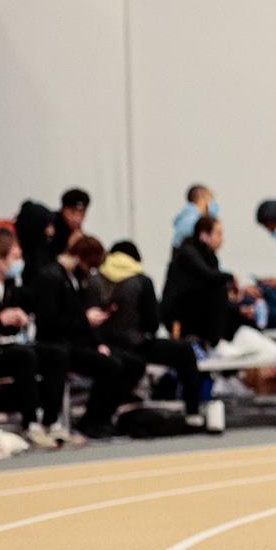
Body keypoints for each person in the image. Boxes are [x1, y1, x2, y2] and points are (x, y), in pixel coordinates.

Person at [0, 228, 70, 446]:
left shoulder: (11, 285)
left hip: (5, 344)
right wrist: (0, 319)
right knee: (24, 357)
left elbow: (10, 324)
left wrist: (18, 320)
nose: (20, 262)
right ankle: (29, 422)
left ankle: (51, 420)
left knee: (57, 354)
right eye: (15, 257)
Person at [27, 233, 139, 439]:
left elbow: (79, 318)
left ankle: (102, 415)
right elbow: (50, 322)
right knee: (111, 366)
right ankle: (92, 420)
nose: (91, 273)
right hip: (59, 343)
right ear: (79, 259)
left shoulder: (73, 279)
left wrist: (97, 341)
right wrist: (84, 320)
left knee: (133, 363)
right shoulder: (51, 278)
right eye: (89, 267)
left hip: (78, 340)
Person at [96, 240, 210, 429]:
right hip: (137, 344)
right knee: (185, 352)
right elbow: (152, 323)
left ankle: (109, 412)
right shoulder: (142, 280)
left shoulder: (96, 278)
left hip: (105, 344)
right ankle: (192, 411)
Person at [162, 215, 243, 350]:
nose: (221, 239)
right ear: (204, 235)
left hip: (195, 307)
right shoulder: (188, 252)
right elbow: (208, 276)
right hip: (178, 312)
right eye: (218, 233)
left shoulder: (211, 257)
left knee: (238, 306)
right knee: (219, 293)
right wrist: (231, 277)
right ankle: (213, 344)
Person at [170, 184, 218, 256]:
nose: (214, 204)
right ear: (202, 197)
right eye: (211, 199)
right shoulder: (191, 221)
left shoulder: (189, 218)